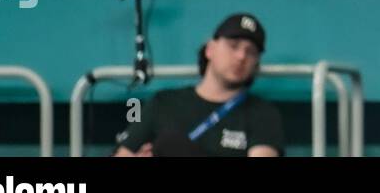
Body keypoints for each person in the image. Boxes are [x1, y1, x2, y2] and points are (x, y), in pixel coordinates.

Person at [113, 13, 284, 157]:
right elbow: (124, 153)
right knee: (170, 144)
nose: (241, 56)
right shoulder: (163, 102)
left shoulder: (262, 114)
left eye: (251, 52)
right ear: (210, 49)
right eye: (234, 46)